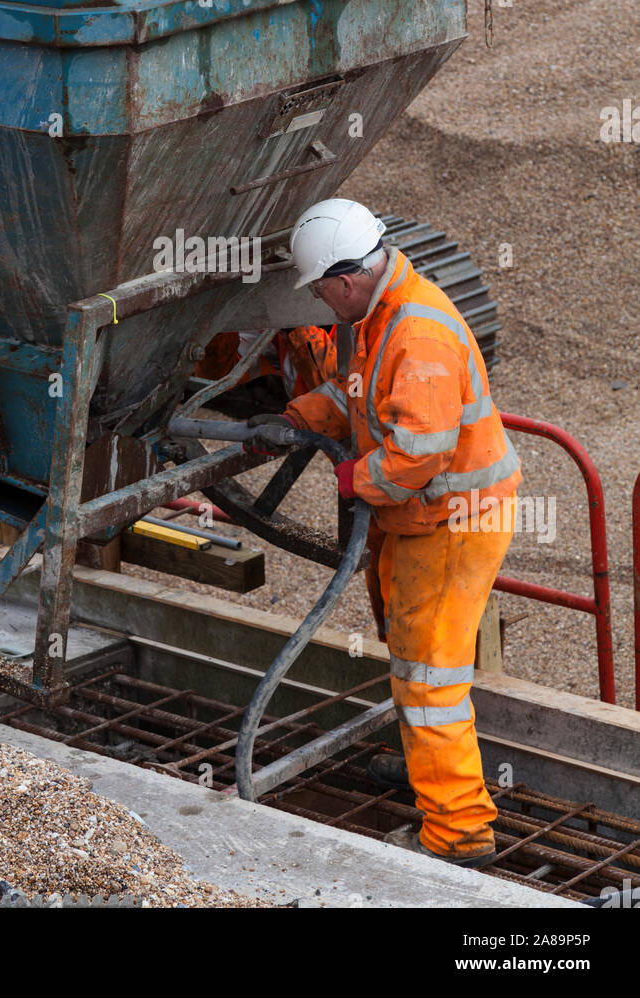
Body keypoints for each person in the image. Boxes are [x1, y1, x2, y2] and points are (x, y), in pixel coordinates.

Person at [248, 197, 521, 868]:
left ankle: (459, 834)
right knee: (413, 658)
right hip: (424, 518)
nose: (318, 300)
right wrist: (297, 419)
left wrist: (352, 481)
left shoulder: (416, 333)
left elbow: (416, 454)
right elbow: (355, 395)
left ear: (344, 280)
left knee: (430, 681)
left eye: (318, 289)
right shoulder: (382, 313)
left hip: (451, 522)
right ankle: (425, 768)